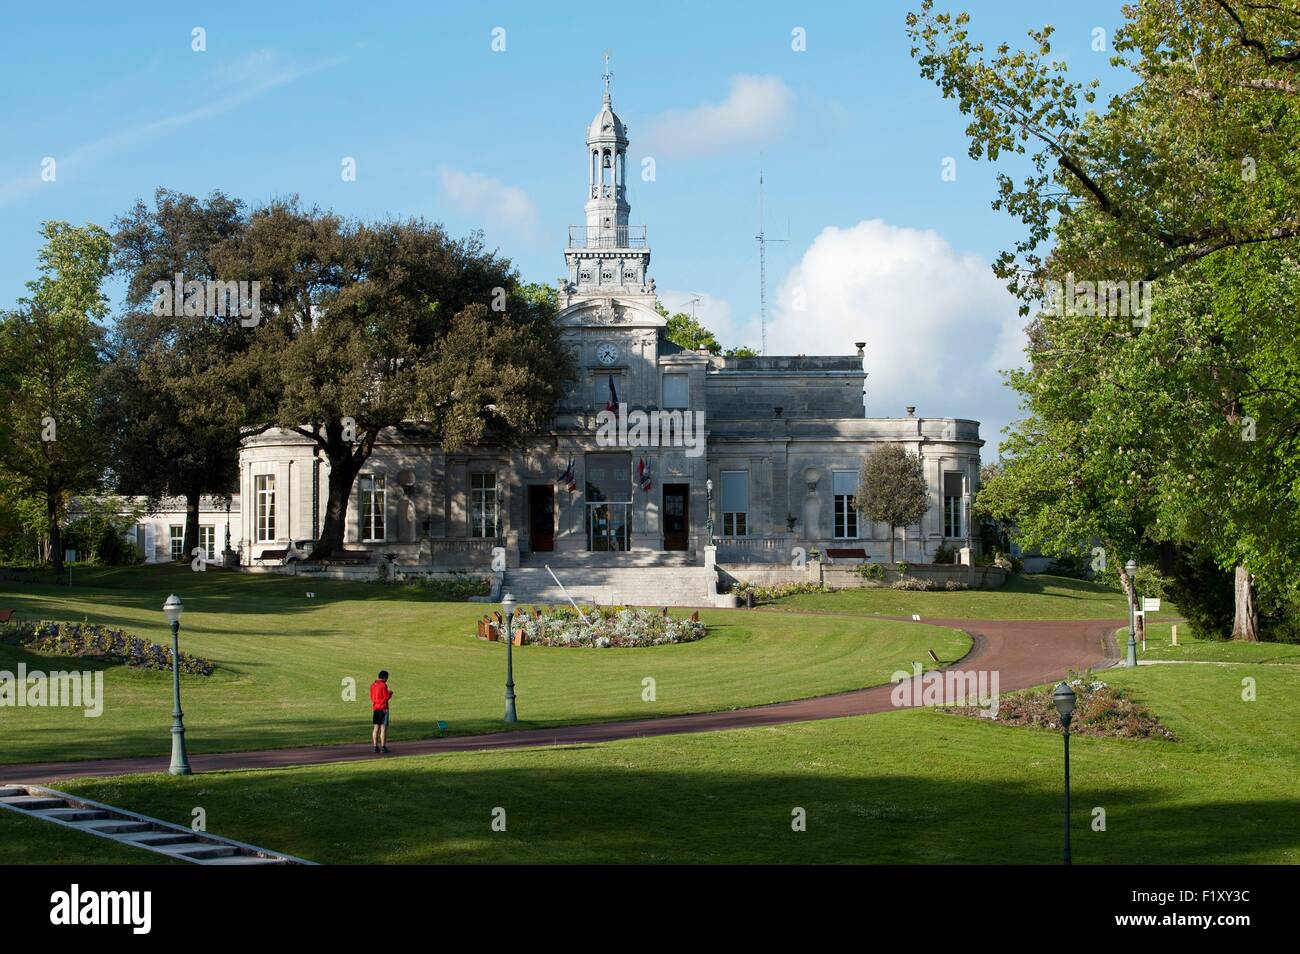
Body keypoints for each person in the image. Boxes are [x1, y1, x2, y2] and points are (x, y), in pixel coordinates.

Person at [370, 670, 394, 753]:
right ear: (384, 677)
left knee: (376, 728)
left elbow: (372, 697)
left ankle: (375, 747)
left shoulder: (373, 685)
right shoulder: (383, 685)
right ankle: (383, 747)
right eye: (387, 678)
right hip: (383, 708)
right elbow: (385, 697)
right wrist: (390, 694)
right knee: (383, 728)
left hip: (375, 708)